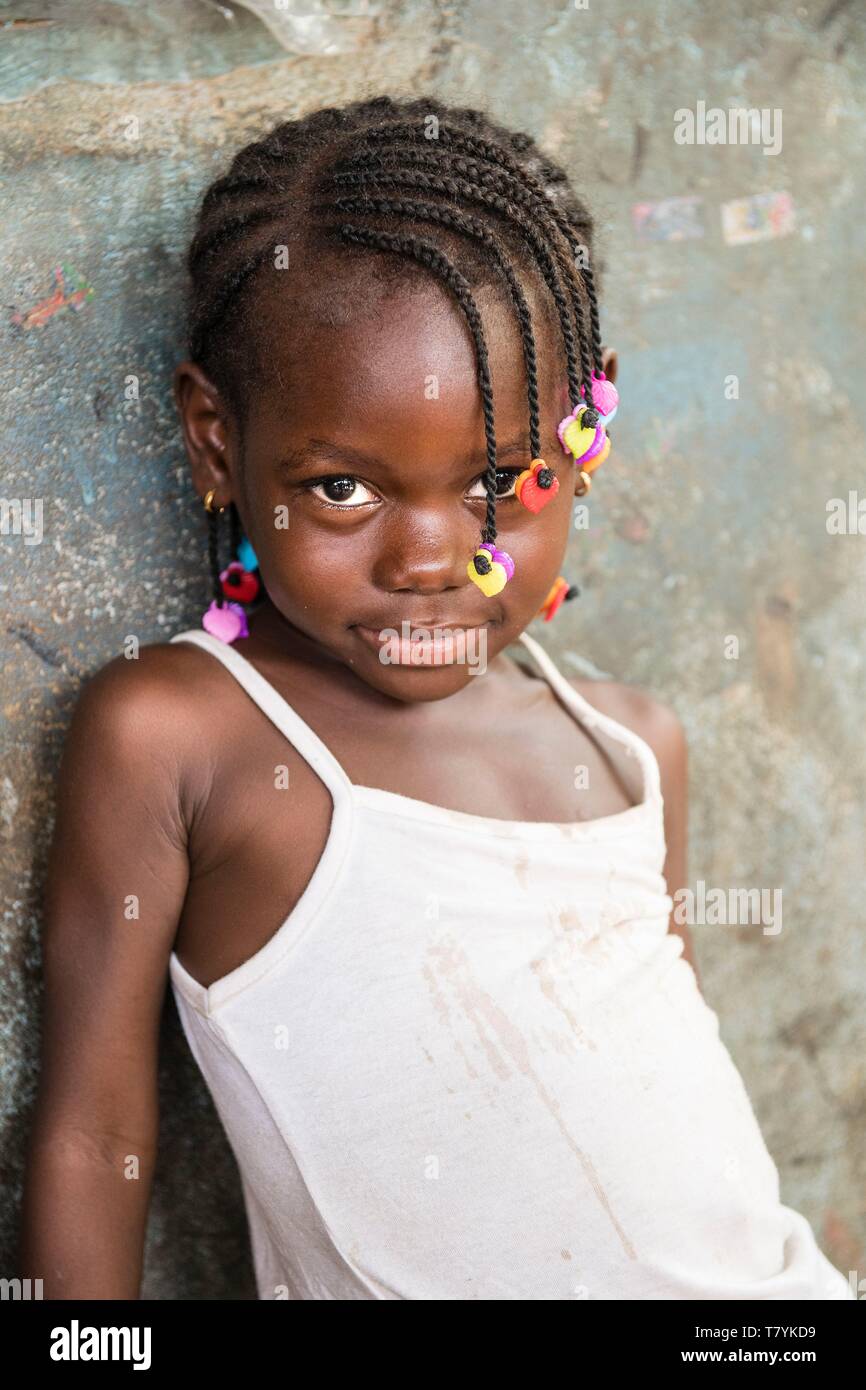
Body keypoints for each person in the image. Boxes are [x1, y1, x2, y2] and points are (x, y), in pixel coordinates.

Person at [19, 94, 854, 1300]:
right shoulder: (180, 735)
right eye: (346, 489)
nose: (432, 559)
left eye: (503, 481)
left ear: (585, 435)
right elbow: (95, 1140)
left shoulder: (625, 750)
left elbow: (661, 1151)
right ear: (214, 440)